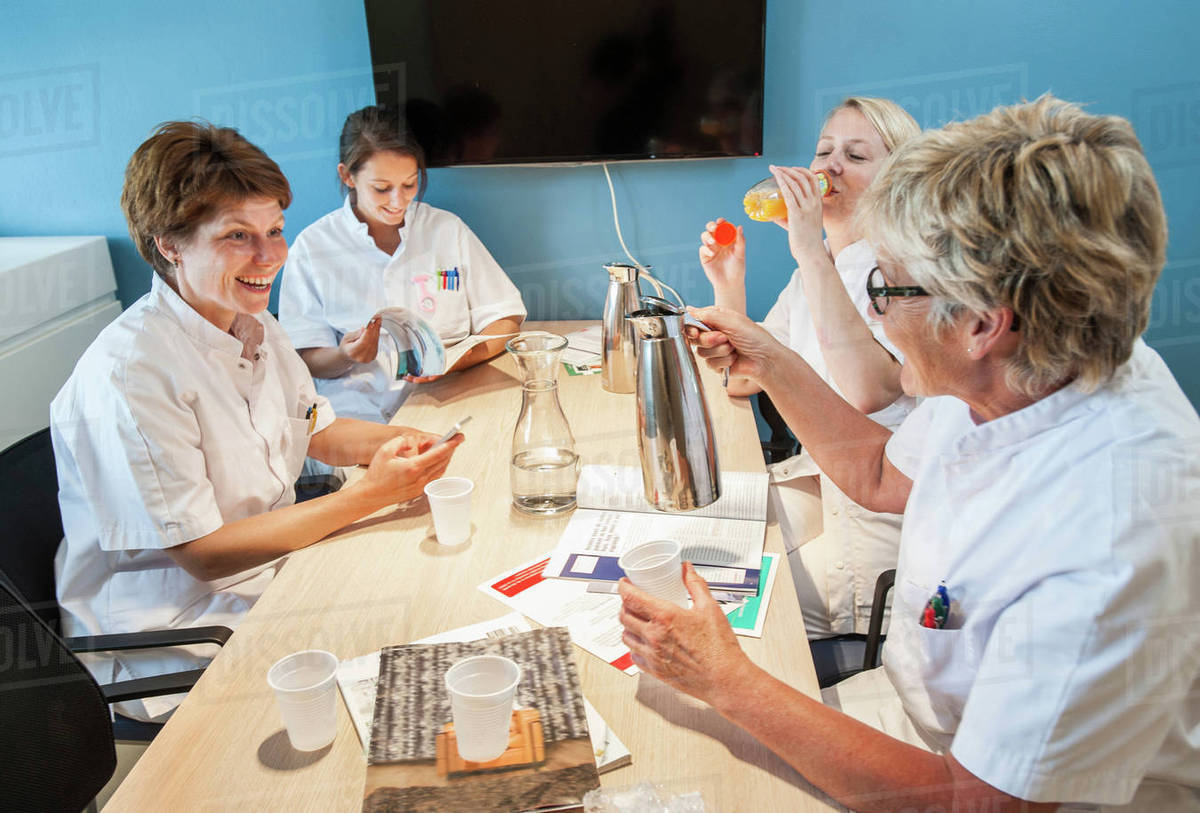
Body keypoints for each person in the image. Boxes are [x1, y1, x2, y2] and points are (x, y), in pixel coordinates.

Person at [620, 96, 1200, 809]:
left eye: (886, 287)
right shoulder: (1030, 361)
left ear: (983, 323)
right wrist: (769, 358)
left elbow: (973, 801)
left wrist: (728, 679)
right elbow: (877, 471)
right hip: (923, 715)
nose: (879, 313)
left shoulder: (1105, 541)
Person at [52, 122, 462, 722]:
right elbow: (204, 555)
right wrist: (369, 497)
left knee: (429, 600)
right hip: (175, 631)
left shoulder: (253, 321)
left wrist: (403, 441)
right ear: (170, 243)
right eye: (238, 236)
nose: (270, 258)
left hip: (265, 577)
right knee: (408, 670)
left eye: (275, 231)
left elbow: (314, 428)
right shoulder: (131, 373)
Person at [698, 97, 920, 640]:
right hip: (824, 483)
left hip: (886, 513)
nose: (828, 168)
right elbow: (744, 380)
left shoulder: (905, 271)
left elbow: (868, 392)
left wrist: (808, 249)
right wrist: (730, 285)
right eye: (824, 152)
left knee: (724, 608)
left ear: (898, 178)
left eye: (855, 155)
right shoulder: (814, 274)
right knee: (700, 546)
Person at [279, 105, 526, 424]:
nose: (398, 201)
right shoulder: (313, 248)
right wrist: (345, 355)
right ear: (347, 176)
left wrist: (455, 362)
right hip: (362, 419)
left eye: (409, 184)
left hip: (451, 405)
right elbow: (306, 358)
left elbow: (505, 319)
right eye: (382, 188)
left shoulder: (445, 229)